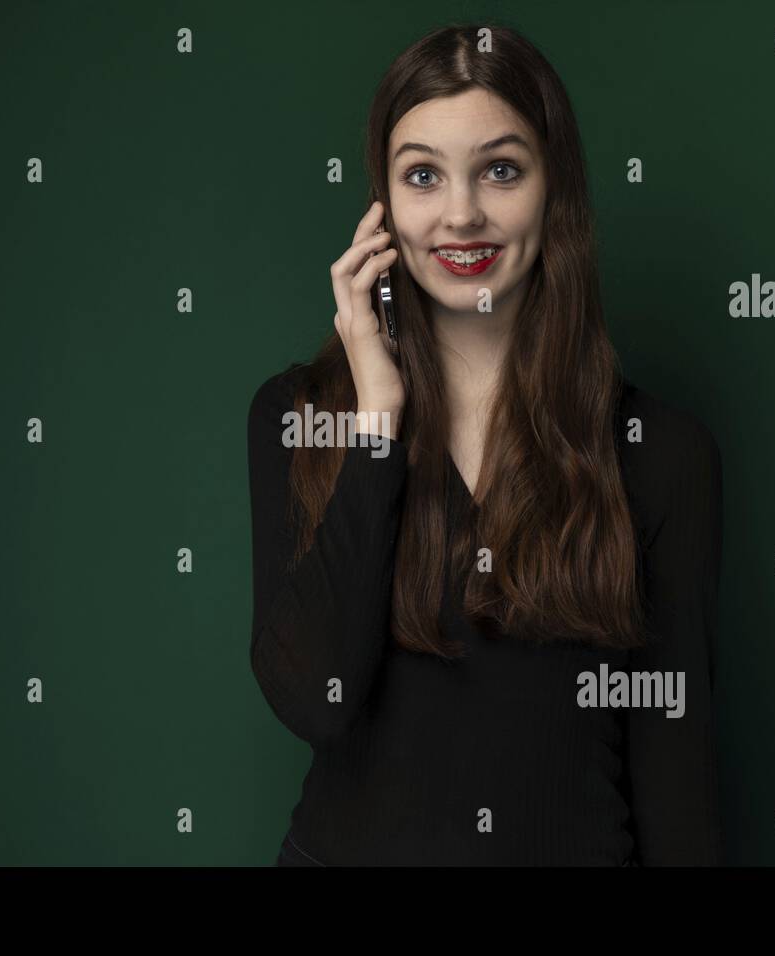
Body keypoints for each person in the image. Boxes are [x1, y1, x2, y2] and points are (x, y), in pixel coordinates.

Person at [248, 23, 724, 866]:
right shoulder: (300, 415)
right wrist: (377, 421)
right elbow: (316, 700)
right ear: (383, 208)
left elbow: (675, 775)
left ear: (554, 191)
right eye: (422, 175)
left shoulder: (660, 452)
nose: (460, 212)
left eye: (500, 170)